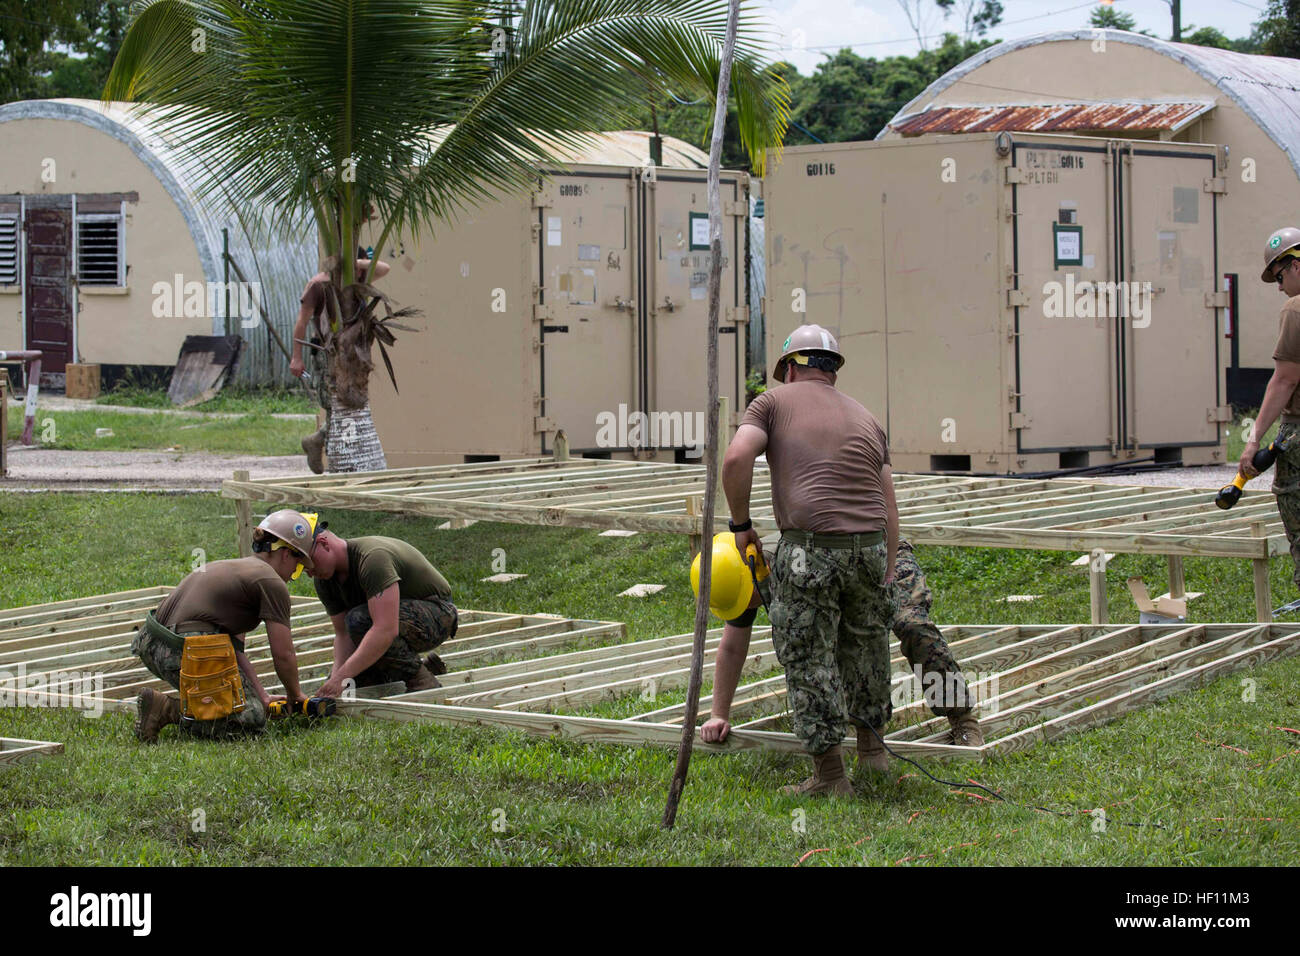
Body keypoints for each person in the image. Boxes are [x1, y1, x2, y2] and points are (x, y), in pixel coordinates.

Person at [722, 323, 897, 796]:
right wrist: (887, 564)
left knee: (808, 654)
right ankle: (874, 755)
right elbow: (888, 499)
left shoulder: (772, 403)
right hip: (871, 548)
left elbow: (737, 459)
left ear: (790, 369)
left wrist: (741, 527)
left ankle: (830, 777)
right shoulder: (865, 416)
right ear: (833, 371)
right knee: (867, 651)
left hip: (810, 553)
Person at [701, 536, 984, 748]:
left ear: (753, 568)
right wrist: (718, 714)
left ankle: (961, 716)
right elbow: (732, 647)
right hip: (839, 567)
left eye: (745, 598)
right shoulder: (746, 579)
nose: (746, 607)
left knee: (911, 626)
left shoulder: (793, 571)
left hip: (880, 553)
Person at [132, 509, 317, 743]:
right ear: (284, 554)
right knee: (251, 718)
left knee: (247, 703)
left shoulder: (236, 568)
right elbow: (283, 653)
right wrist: (295, 695)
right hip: (184, 649)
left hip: (151, 642)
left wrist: (261, 695)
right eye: (298, 565)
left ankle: (184, 707)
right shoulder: (270, 582)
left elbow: (234, 651)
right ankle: (167, 709)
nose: (294, 574)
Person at [307, 529, 458, 698]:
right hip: (394, 621)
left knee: (360, 620)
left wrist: (341, 677)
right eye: (301, 566)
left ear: (323, 543)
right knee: (356, 680)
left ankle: (422, 680)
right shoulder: (324, 580)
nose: (309, 570)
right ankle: (425, 668)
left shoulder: (373, 559)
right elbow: (343, 635)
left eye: (309, 560)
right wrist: (337, 679)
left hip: (438, 614)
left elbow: (384, 629)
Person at [291, 248, 391, 473]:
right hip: (328, 351)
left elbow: (385, 268)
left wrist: (357, 264)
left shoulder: (358, 277)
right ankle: (318, 441)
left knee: (348, 404)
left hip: (353, 353)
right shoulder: (318, 285)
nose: (358, 274)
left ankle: (317, 439)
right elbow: (301, 322)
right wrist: (296, 357)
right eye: (353, 269)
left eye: (360, 269)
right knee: (335, 403)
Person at [1242, 227, 1300, 591]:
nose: (1279, 287)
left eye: (1279, 276)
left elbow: (1285, 380)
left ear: (1295, 265)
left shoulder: (1296, 310)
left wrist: (1253, 441)